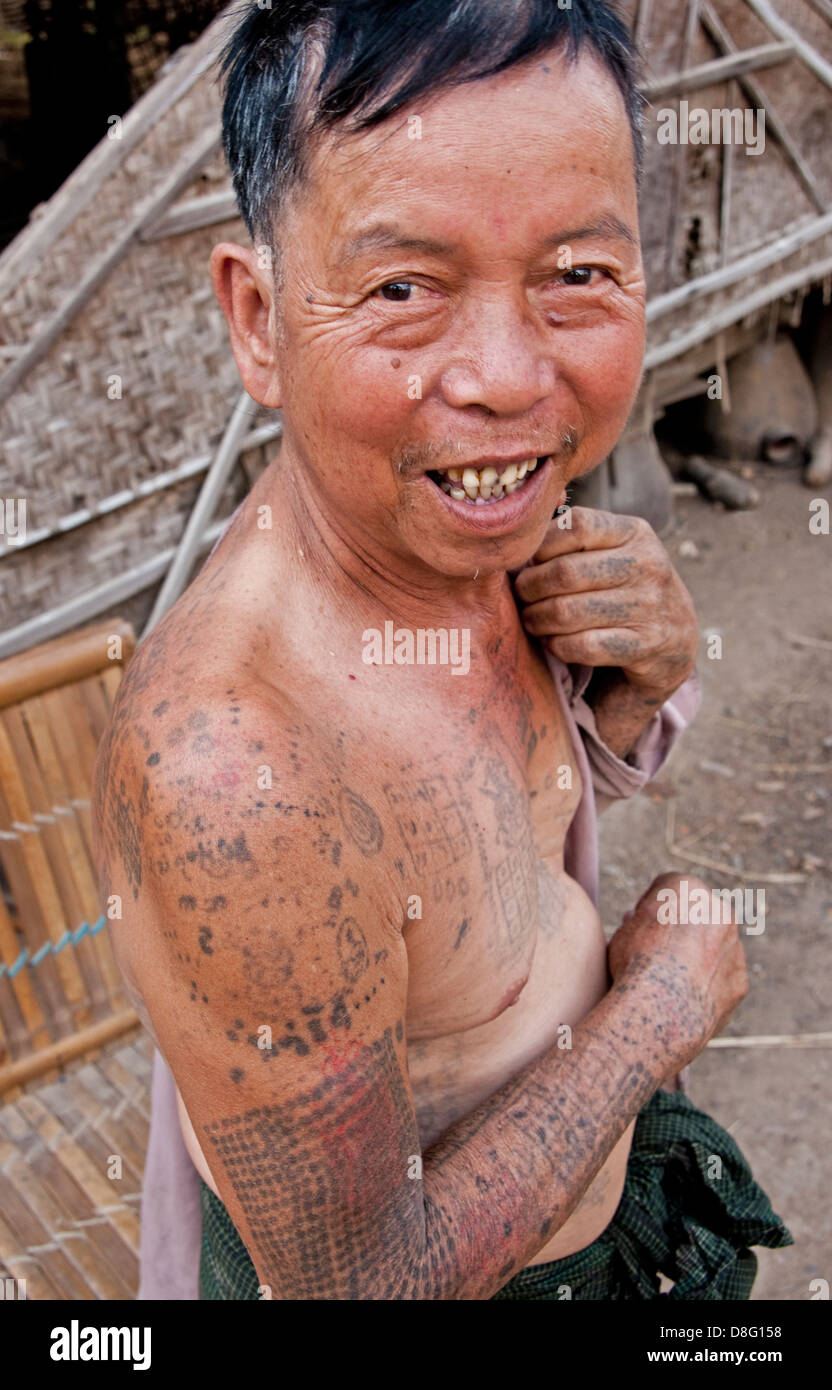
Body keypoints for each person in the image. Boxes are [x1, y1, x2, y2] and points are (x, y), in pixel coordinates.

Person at [93, 0, 791, 1300]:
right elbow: (353, 1283)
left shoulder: (472, 511)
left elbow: (508, 798)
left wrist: (644, 678)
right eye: (406, 287)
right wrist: (655, 1013)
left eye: (577, 273)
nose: (508, 375)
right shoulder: (233, 772)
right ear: (260, 319)